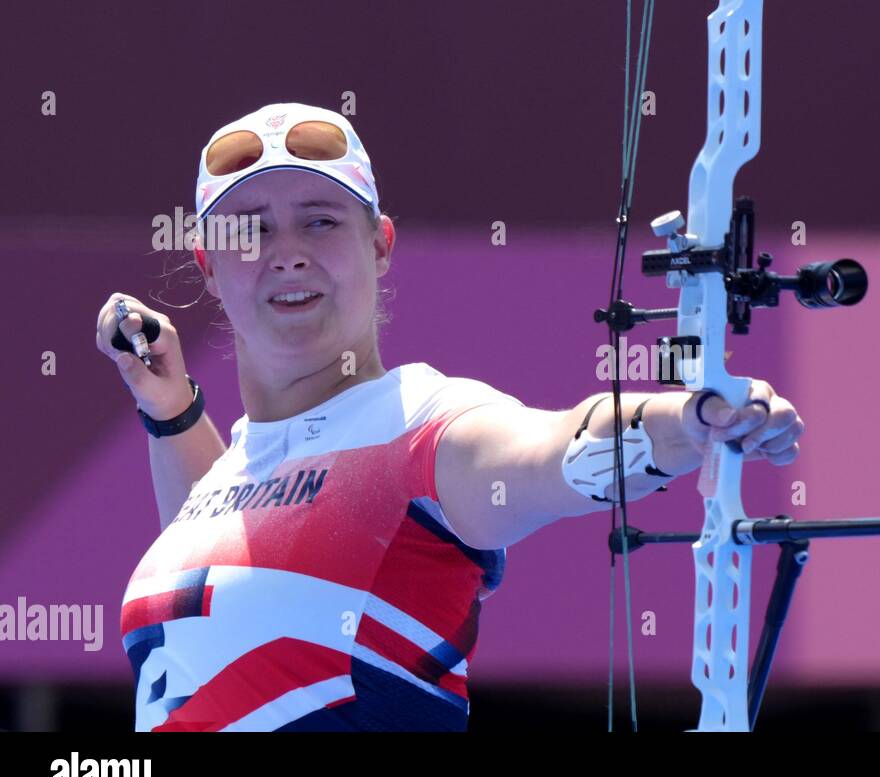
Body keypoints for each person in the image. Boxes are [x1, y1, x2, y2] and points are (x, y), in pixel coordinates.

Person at [95, 102, 804, 731]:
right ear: (209, 265)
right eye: (252, 230)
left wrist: (692, 417)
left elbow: (551, 449)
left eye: (320, 221)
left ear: (380, 245)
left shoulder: (425, 426)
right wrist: (173, 413)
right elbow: (219, 558)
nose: (287, 255)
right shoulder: (230, 468)